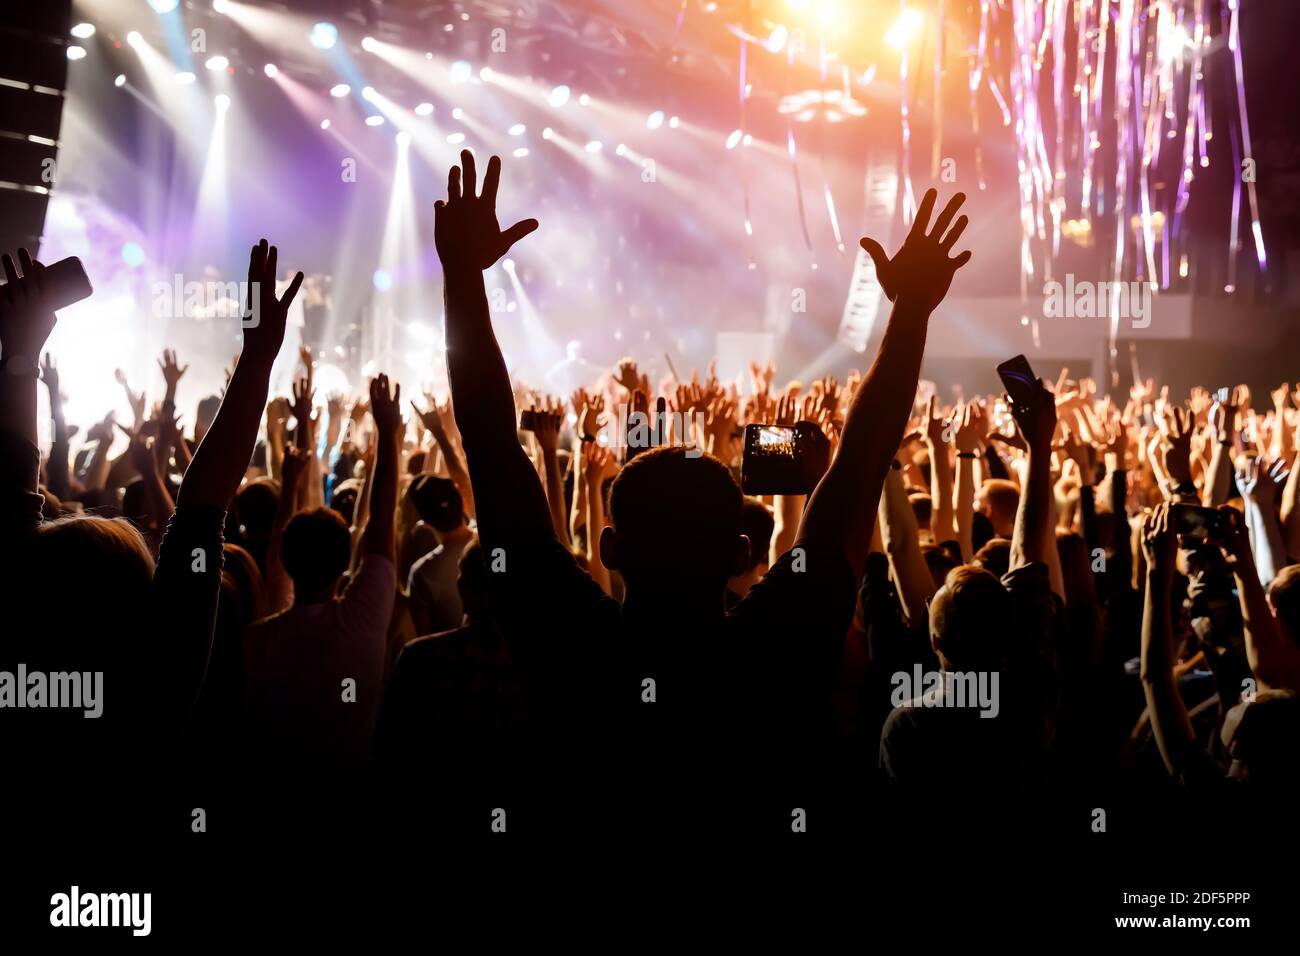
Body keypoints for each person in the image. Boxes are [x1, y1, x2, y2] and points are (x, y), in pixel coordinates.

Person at [242, 374, 401, 759]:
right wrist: (387, 434)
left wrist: (289, 485)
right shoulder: (362, 619)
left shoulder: (254, 643)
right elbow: (379, 524)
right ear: (346, 562)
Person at [405, 474, 473, 635]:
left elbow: (424, 639)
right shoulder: (496, 549)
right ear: (463, 503)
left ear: (425, 522)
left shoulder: (420, 574)